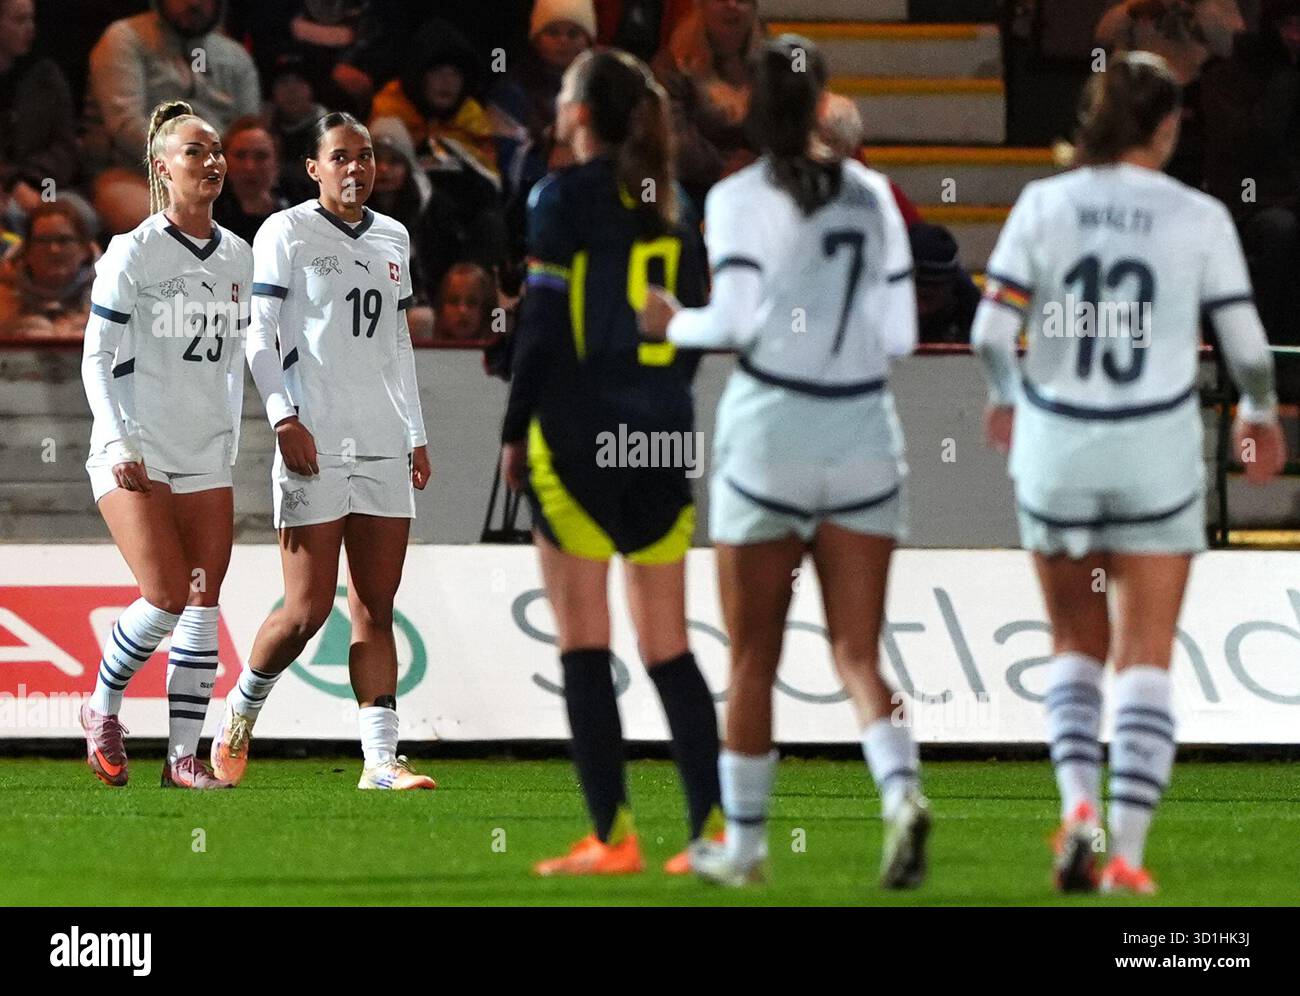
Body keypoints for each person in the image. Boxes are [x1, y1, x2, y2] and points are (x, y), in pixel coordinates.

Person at [971, 52, 1285, 895]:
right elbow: (1250, 350)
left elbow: (992, 335)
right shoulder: (1199, 215)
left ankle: (1078, 808)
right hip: (1153, 452)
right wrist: (1257, 416)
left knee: (1074, 644)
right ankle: (1129, 859)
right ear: (1168, 126)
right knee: (1145, 656)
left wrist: (1008, 399)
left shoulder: (1044, 204)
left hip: (1059, 446)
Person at [642, 35, 930, 889]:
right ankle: (903, 795)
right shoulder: (875, 193)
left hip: (770, 435)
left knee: (750, 660)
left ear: (749, 111)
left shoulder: (736, 197)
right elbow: (904, 336)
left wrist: (670, 322)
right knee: (858, 653)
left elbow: (727, 323)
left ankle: (747, 850)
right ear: (824, 103)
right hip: (863, 437)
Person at [499, 48, 722, 876]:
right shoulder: (677, 202)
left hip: (579, 435)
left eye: (563, 95)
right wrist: (662, 404)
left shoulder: (559, 196)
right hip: (662, 438)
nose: (556, 105)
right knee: (670, 645)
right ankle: (714, 833)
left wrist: (516, 428)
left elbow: (545, 327)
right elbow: (695, 322)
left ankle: (615, 836)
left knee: (584, 642)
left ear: (582, 114)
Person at [211, 111, 435, 791]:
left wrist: (416, 432)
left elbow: (396, 346)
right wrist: (284, 419)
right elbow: (259, 334)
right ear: (312, 168)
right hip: (314, 441)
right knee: (306, 613)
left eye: (365, 157)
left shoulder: (393, 235)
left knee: (376, 604)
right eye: (340, 157)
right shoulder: (286, 232)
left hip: (380, 443)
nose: (356, 169)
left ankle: (379, 762)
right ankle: (240, 711)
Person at [77, 99, 253, 790]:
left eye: (218, 151)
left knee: (203, 601)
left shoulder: (239, 256)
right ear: (162, 168)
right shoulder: (135, 251)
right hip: (137, 447)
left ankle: (183, 757)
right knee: (166, 594)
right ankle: (101, 706)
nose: (212, 162)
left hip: (205, 451)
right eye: (195, 152)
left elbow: (249, 354)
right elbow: (95, 356)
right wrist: (118, 439)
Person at [85, 0, 261, 234]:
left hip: (223, 177)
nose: (194, 3)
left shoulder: (235, 57)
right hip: (134, 173)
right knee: (162, 227)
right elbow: (125, 125)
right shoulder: (124, 39)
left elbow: (248, 129)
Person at [651, 0, 761, 210]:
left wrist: (755, 167)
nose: (732, 5)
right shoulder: (671, 64)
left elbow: (782, 128)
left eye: (742, 1)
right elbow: (674, 139)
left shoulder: (770, 64)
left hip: (756, 181)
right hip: (694, 186)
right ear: (700, 6)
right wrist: (725, 168)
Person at [0, 201, 96, 339]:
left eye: (64, 240)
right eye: (43, 241)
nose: (54, 250)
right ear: (26, 251)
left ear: (85, 249)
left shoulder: (111, 297)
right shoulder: (3, 295)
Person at [212, 116, 290, 244]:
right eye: (240, 156)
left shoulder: (295, 209)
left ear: (276, 163)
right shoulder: (208, 217)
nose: (250, 167)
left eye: (261, 156)